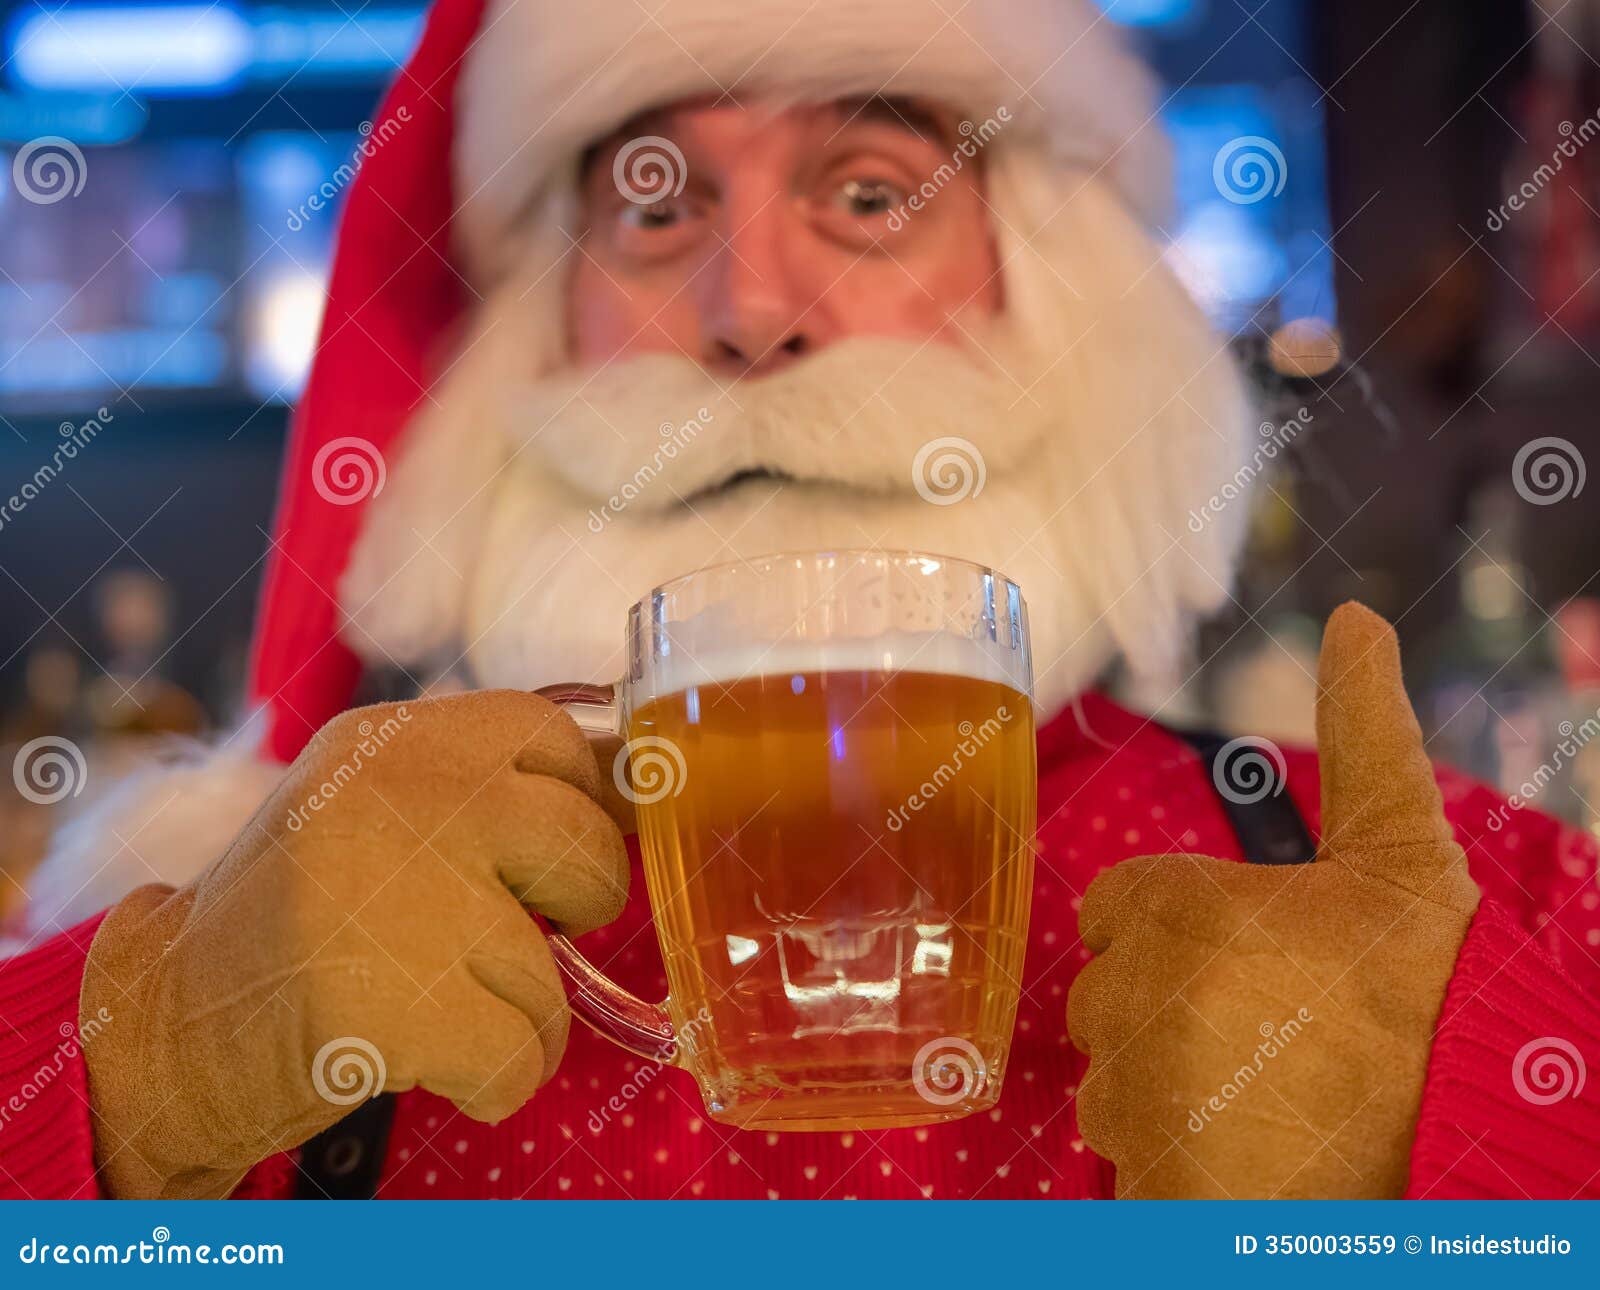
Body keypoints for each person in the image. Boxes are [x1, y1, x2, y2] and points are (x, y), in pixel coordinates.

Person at [2, 0, 1596, 1200]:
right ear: (522, 348)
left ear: (1058, 298)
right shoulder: (251, 922)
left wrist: (1467, 1125)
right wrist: (141, 1058)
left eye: (871, 191)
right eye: (652, 202)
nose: (749, 310)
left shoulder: (1458, 898)